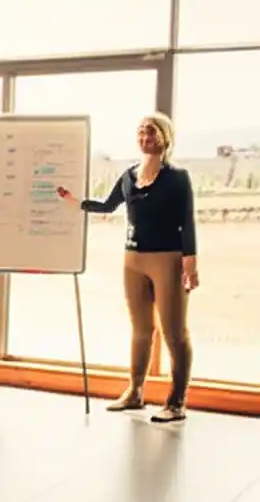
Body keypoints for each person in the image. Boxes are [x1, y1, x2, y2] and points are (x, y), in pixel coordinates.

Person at [57, 113, 198, 423]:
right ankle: (134, 392)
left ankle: (176, 402)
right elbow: (108, 206)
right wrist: (75, 202)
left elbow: (186, 221)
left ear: (165, 139)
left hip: (168, 258)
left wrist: (191, 261)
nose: (146, 138)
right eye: (141, 133)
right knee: (141, 330)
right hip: (133, 259)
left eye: (152, 133)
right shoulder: (129, 176)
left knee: (175, 332)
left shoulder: (177, 178)